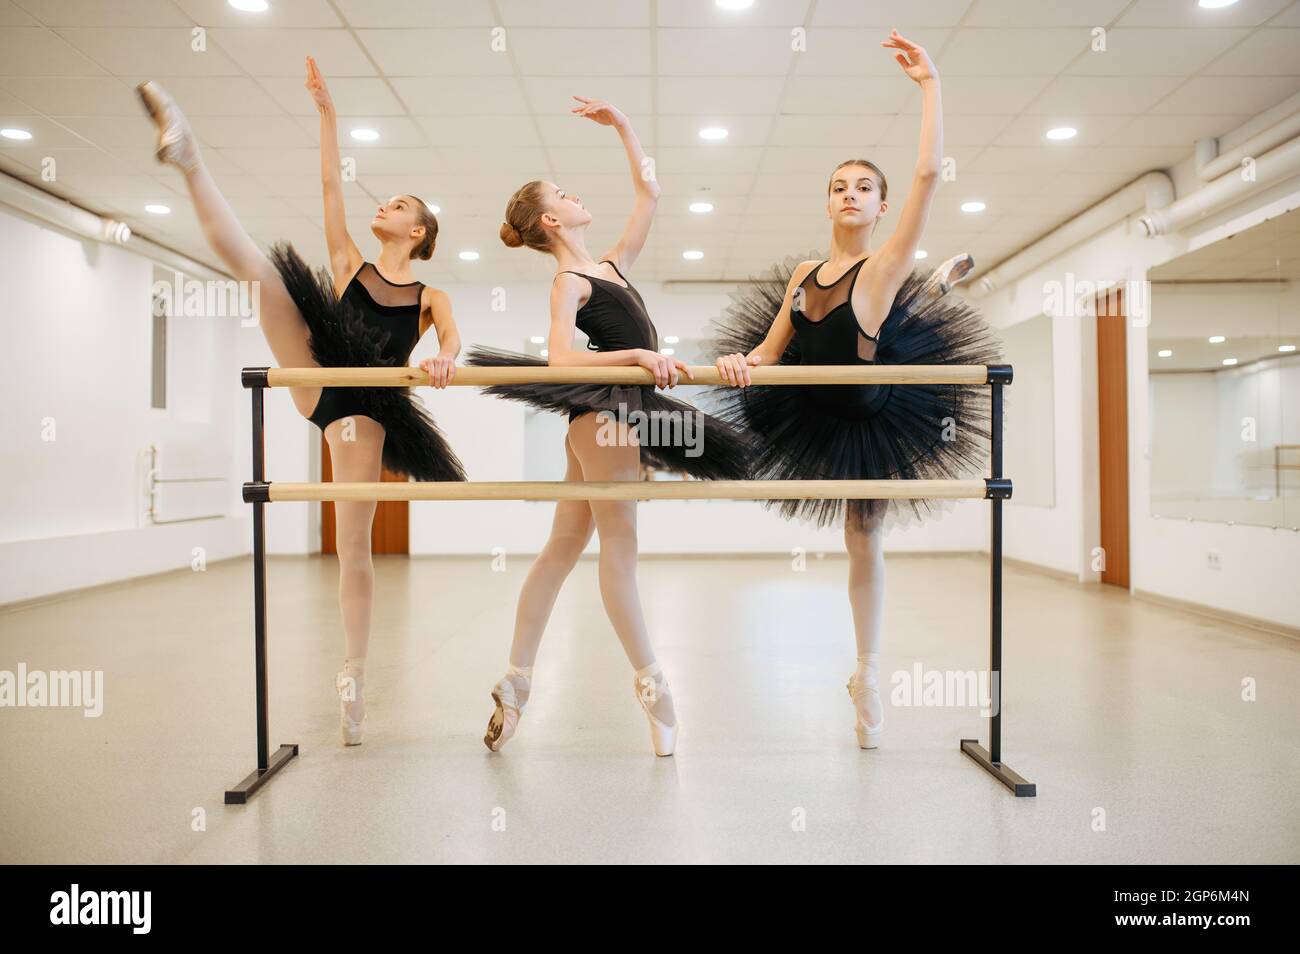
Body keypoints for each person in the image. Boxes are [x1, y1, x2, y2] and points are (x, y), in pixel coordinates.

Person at [135, 57, 466, 747]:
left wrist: (441, 358)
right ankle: (191, 158)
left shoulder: (430, 296)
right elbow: (327, 187)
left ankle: (352, 675)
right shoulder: (349, 261)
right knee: (255, 271)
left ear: (419, 235)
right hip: (319, 371)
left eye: (400, 206)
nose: (386, 206)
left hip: (364, 412)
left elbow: (452, 340)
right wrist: (327, 116)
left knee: (352, 545)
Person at [710, 31, 1004, 749]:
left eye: (864, 188)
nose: (851, 194)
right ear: (828, 201)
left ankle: (868, 673)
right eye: (840, 186)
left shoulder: (880, 266)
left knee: (863, 534)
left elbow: (930, 176)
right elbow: (772, 351)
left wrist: (930, 85)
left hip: (875, 411)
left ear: (879, 206)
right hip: (815, 404)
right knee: (852, 532)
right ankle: (864, 673)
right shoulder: (802, 275)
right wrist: (741, 362)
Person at [465, 97, 753, 756]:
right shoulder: (568, 279)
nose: (575, 195)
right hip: (606, 417)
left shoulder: (612, 265)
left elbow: (650, 190)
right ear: (550, 218)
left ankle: (515, 681)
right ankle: (653, 687)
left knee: (564, 545)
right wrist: (639, 356)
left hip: (609, 417)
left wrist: (623, 125)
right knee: (617, 548)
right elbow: (561, 358)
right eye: (563, 193)